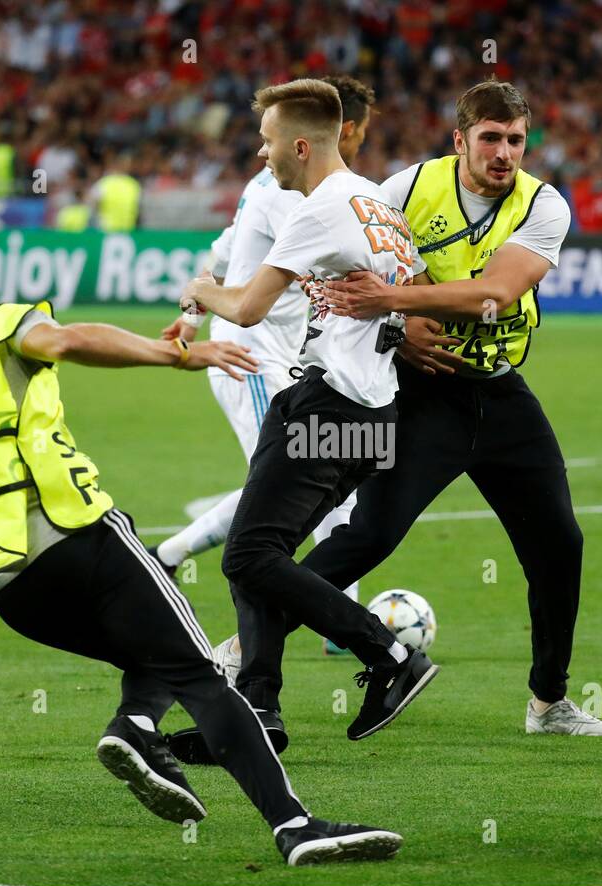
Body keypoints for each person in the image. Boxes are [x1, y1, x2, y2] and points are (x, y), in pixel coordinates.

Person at [0, 236, 404, 866]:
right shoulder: (3, 324)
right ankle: (294, 826)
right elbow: (65, 340)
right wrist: (175, 356)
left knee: (159, 655)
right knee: (204, 674)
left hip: (10, 592)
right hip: (78, 542)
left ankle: (136, 728)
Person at [191, 80, 602, 748]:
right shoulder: (403, 190)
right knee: (369, 536)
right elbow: (337, 251)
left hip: (502, 393)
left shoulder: (544, 205)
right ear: (460, 140)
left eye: (515, 140)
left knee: (560, 544)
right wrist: (401, 323)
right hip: (419, 393)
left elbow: (497, 292)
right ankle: (250, 648)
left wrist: (396, 302)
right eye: (491, 138)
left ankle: (549, 701)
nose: (504, 153)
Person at [174, 79, 440, 754]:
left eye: (266, 143)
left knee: (250, 555)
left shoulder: (319, 210)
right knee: (262, 556)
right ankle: (257, 715)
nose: (262, 156)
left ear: (300, 144)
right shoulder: (377, 202)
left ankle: (387, 653)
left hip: (327, 401)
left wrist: (199, 290)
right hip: (375, 412)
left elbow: (247, 309)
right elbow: (416, 301)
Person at [150, 77, 377, 641]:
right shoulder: (298, 196)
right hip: (251, 357)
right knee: (294, 488)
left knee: (285, 483)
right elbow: (253, 291)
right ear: (343, 130)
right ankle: (335, 623)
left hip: (274, 355)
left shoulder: (270, 183)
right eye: (364, 134)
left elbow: (225, 250)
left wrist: (193, 313)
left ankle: (169, 554)